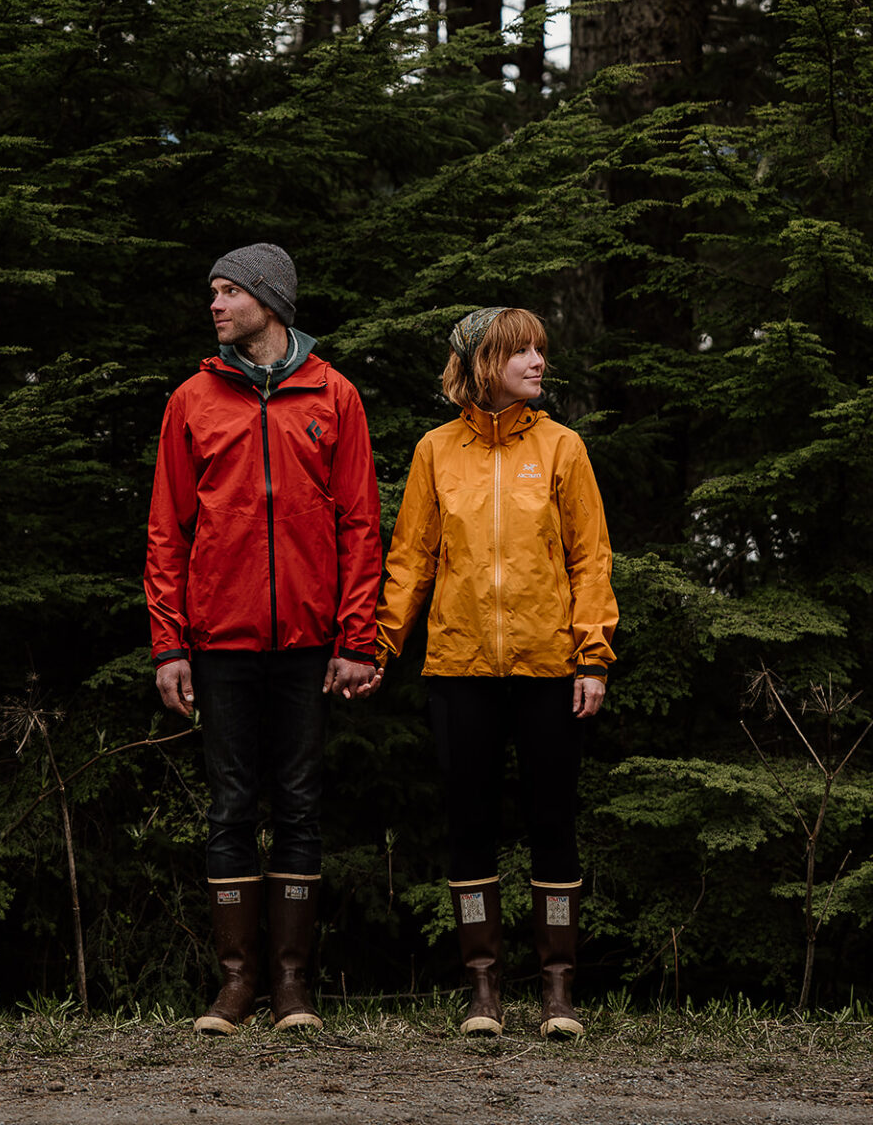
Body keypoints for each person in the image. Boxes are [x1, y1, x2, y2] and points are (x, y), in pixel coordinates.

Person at [145, 243, 382, 1035]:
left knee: (302, 806)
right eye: (212, 291)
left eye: (227, 291)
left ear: (269, 301)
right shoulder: (192, 399)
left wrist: (358, 638)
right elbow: (166, 533)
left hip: (312, 642)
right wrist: (169, 646)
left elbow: (360, 523)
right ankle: (235, 988)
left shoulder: (334, 394)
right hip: (220, 640)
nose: (214, 305)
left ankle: (291, 990)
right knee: (230, 807)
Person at [375, 307, 618, 1040]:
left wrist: (593, 657)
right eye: (522, 351)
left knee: (553, 823)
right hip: (459, 668)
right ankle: (483, 989)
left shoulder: (564, 448)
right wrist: (379, 646)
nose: (539, 361)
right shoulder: (434, 452)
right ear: (483, 363)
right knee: (469, 824)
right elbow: (411, 561)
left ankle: (557, 992)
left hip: (551, 669)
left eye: (542, 350)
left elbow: (590, 559)